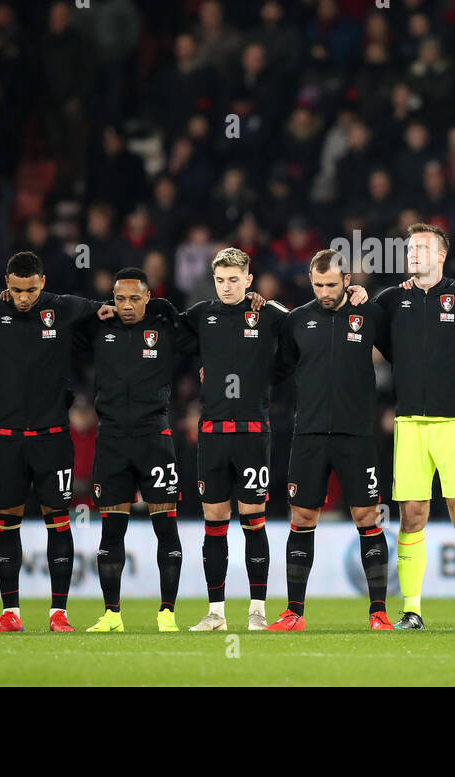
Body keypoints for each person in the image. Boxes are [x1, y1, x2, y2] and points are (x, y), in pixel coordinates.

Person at [0, 251, 118, 633]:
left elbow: (114, 309)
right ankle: (10, 613)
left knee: (59, 523)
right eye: (16, 290)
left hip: (52, 439)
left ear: (42, 282)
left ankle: (58, 613)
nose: (24, 297)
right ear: (6, 285)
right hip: (7, 441)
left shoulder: (64, 308)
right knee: (6, 525)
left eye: (30, 289)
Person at [374, 222, 455, 630]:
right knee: (411, 514)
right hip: (410, 423)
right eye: (410, 248)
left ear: (442, 255)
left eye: (422, 248)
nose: (413, 254)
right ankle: (411, 609)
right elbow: (362, 330)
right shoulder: (391, 299)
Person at [266, 250, 394, 630]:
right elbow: (277, 371)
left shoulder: (368, 314)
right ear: (310, 280)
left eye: (332, 285)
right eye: (318, 285)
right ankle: (294, 613)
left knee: (367, 518)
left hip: (356, 435)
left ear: (347, 281)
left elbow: (402, 356)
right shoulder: (297, 320)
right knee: (302, 518)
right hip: (308, 435)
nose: (324, 292)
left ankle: (378, 613)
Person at [176, 248, 291, 631]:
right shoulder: (200, 315)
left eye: (233, 280)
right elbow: (161, 327)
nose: (226, 287)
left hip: (253, 434)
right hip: (211, 435)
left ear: (248, 280)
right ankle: (216, 614)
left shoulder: (269, 314)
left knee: (254, 521)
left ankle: (257, 610)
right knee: (214, 522)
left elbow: (311, 324)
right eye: (220, 280)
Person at [78, 267, 190, 633]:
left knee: (166, 530)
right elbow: (61, 315)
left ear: (148, 297)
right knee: (111, 532)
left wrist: (164, 307)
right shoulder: (99, 328)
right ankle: (112, 615)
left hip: (154, 438)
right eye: (119, 299)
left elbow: (204, 333)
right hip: (111, 439)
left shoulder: (165, 330)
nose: (126, 306)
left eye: (135, 298)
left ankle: (167, 613)